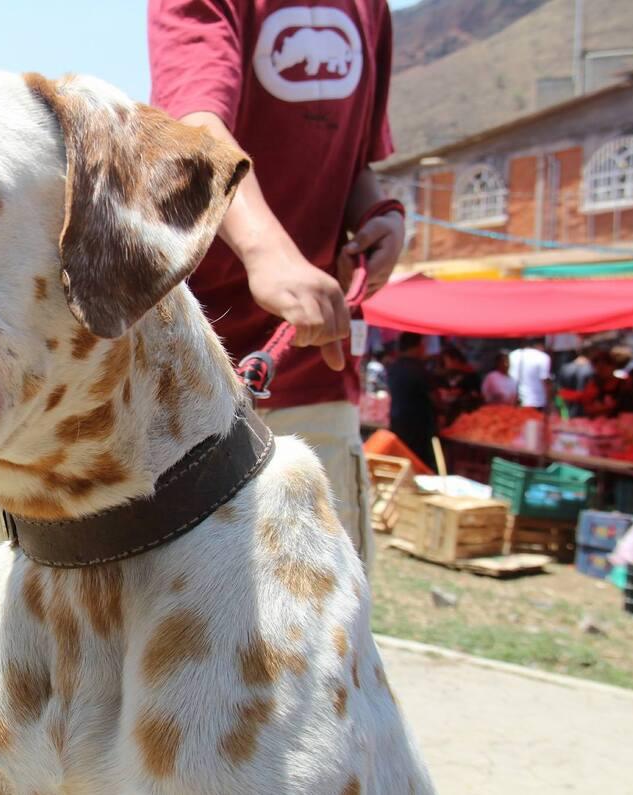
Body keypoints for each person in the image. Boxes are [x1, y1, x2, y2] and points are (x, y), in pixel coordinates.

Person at [149, 0, 402, 570]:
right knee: (183, 617)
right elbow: (194, 127)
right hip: (196, 374)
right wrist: (267, 251)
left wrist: (380, 214)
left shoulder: (370, 9)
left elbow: (358, 161)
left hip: (319, 370)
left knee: (321, 627)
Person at [386, 333, 437, 470]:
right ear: (418, 346)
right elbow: (434, 397)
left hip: (397, 420)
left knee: (400, 461)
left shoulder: (394, 367)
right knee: (416, 464)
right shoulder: (419, 369)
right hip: (418, 427)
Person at [581, 350, 633, 418]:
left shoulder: (625, 383)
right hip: (601, 424)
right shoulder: (593, 385)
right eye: (598, 368)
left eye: (603, 368)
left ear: (613, 366)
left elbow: (630, 407)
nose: (600, 371)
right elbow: (588, 408)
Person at [508, 340, 552, 409]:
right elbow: (545, 382)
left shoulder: (512, 355)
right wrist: (549, 402)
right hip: (537, 401)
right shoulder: (543, 357)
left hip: (515, 401)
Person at [557, 347, 595, 416]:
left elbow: (559, 389)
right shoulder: (591, 369)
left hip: (567, 407)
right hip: (584, 409)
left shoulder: (565, 368)